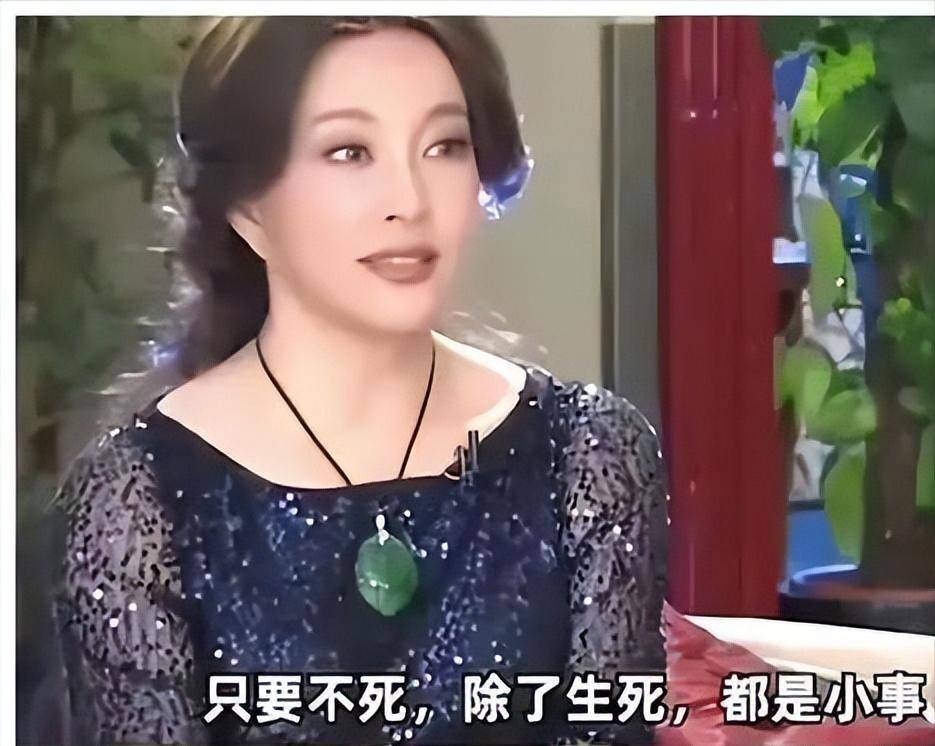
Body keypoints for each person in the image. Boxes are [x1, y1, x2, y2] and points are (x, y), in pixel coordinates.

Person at [48, 16, 668, 745]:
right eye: (349, 151)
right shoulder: (135, 501)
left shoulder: (587, 454)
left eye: (444, 146)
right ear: (247, 206)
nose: (409, 199)